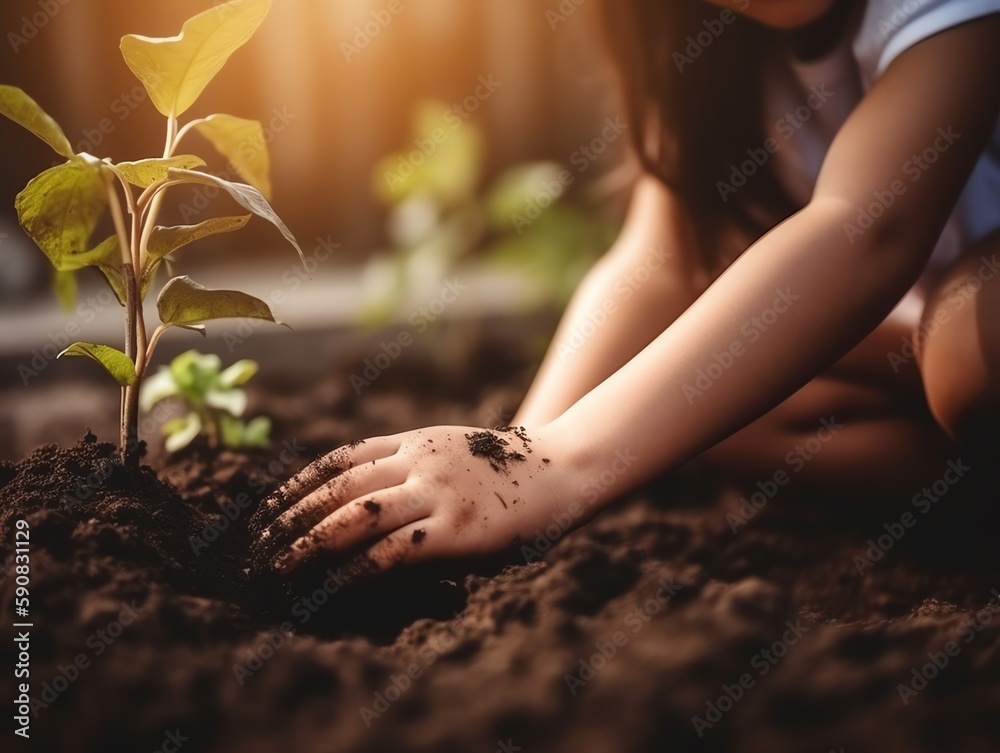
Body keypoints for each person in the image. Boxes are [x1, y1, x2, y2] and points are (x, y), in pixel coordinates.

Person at [261, 0, 1000, 575]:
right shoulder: (705, 47)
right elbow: (658, 264)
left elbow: (867, 227)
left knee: (972, 349)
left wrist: (561, 463)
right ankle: (969, 502)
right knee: (709, 406)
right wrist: (515, 456)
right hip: (922, 352)